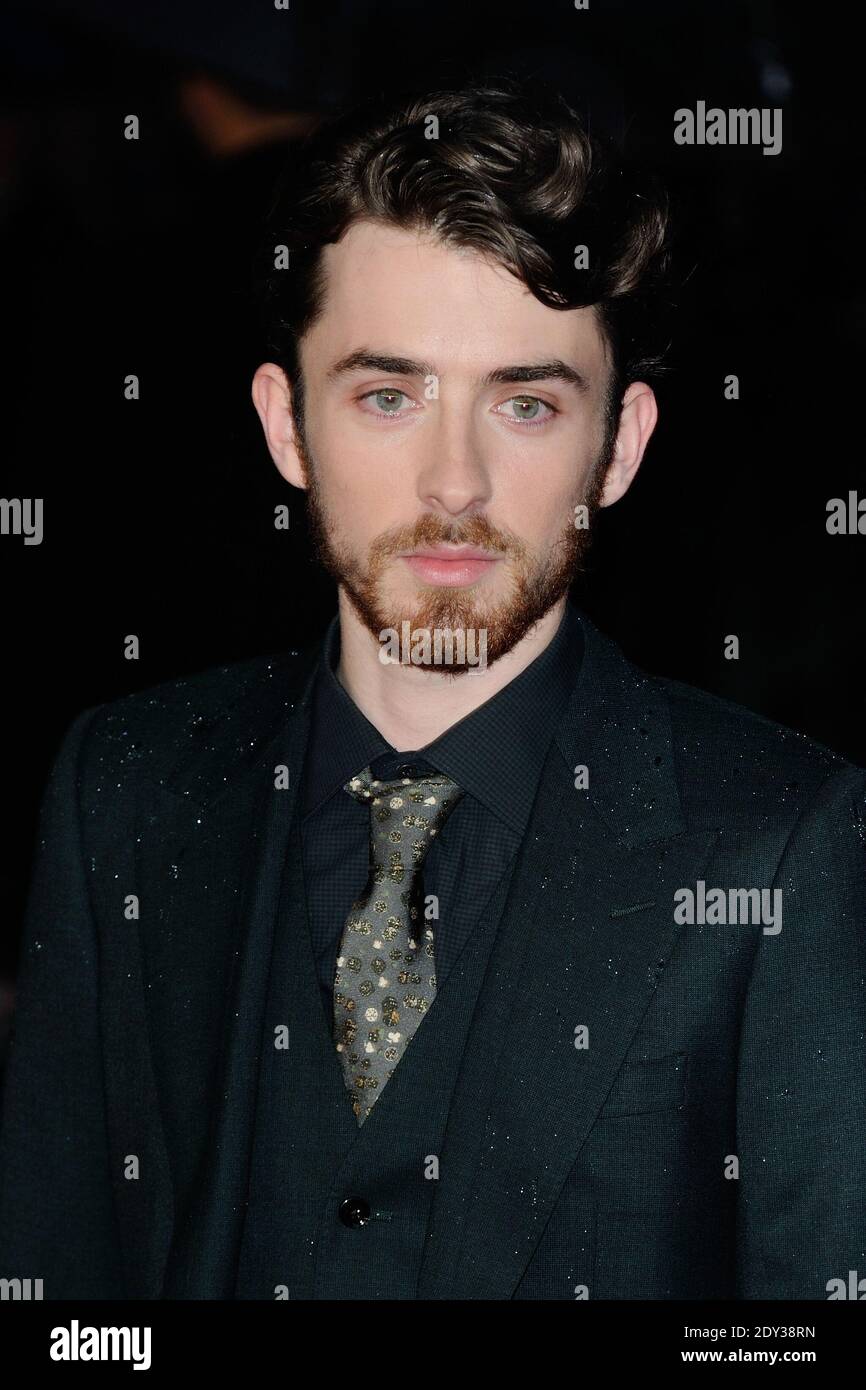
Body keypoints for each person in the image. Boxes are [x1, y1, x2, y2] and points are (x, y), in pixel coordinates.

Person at [1, 77, 864, 1301]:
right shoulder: (124, 788)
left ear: (616, 446)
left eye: (522, 402)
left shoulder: (785, 844)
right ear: (286, 425)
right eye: (388, 395)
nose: (451, 481)